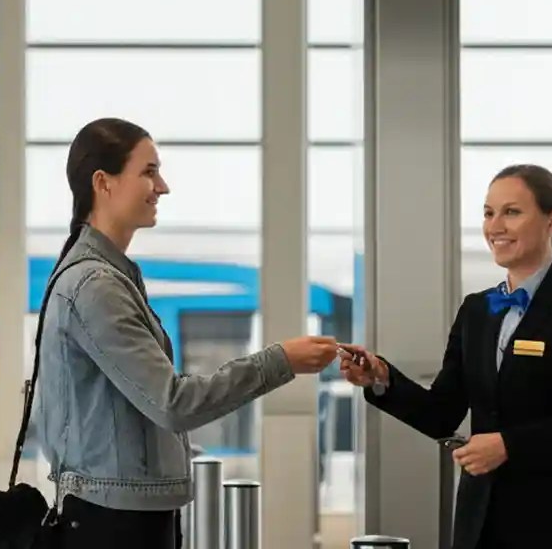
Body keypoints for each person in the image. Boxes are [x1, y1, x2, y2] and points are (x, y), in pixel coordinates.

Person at [34, 117, 339, 549]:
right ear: (103, 182)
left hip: (122, 511)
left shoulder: (109, 278)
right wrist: (281, 361)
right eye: (149, 171)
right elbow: (173, 403)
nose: (163, 187)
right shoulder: (96, 286)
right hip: (114, 523)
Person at [339, 164, 552, 549]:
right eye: (488, 213)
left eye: (512, 212)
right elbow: (441, 412)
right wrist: (382, 379)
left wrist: (510, 445)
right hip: (479, 523)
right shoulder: (478, 310)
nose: (495, 226)